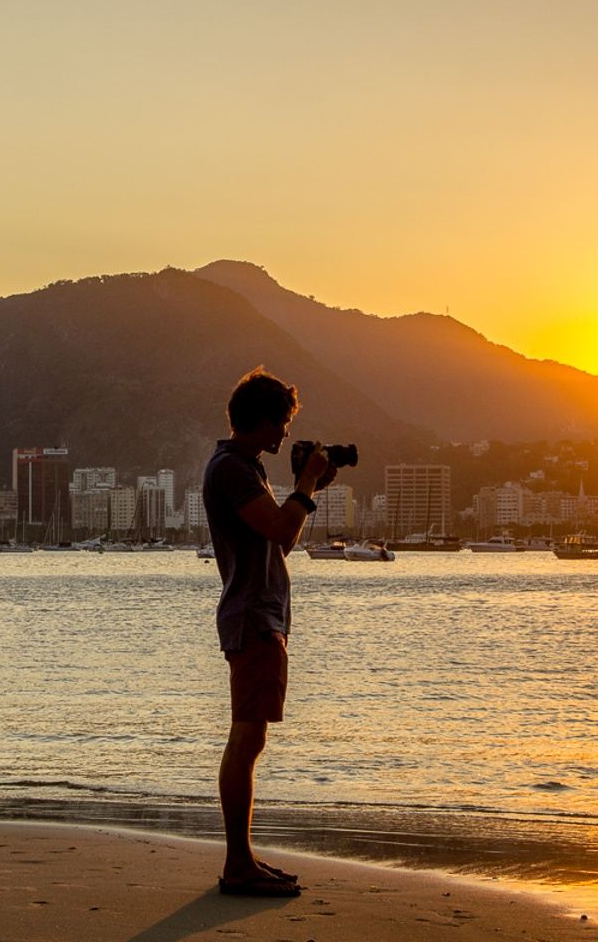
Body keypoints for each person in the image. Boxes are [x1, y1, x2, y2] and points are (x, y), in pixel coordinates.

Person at [203, 366, 335, 898]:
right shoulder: (232, 469)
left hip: (260, 615)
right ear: (259, 420)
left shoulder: (244, 467)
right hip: (254, 617)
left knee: (250, 737)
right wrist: (304, 485)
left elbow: (276, 541)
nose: (285, 434)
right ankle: (238, 865)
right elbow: (282, 531)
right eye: (281, 423)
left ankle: (244, 859)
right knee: (247, 737)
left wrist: (308, 489)